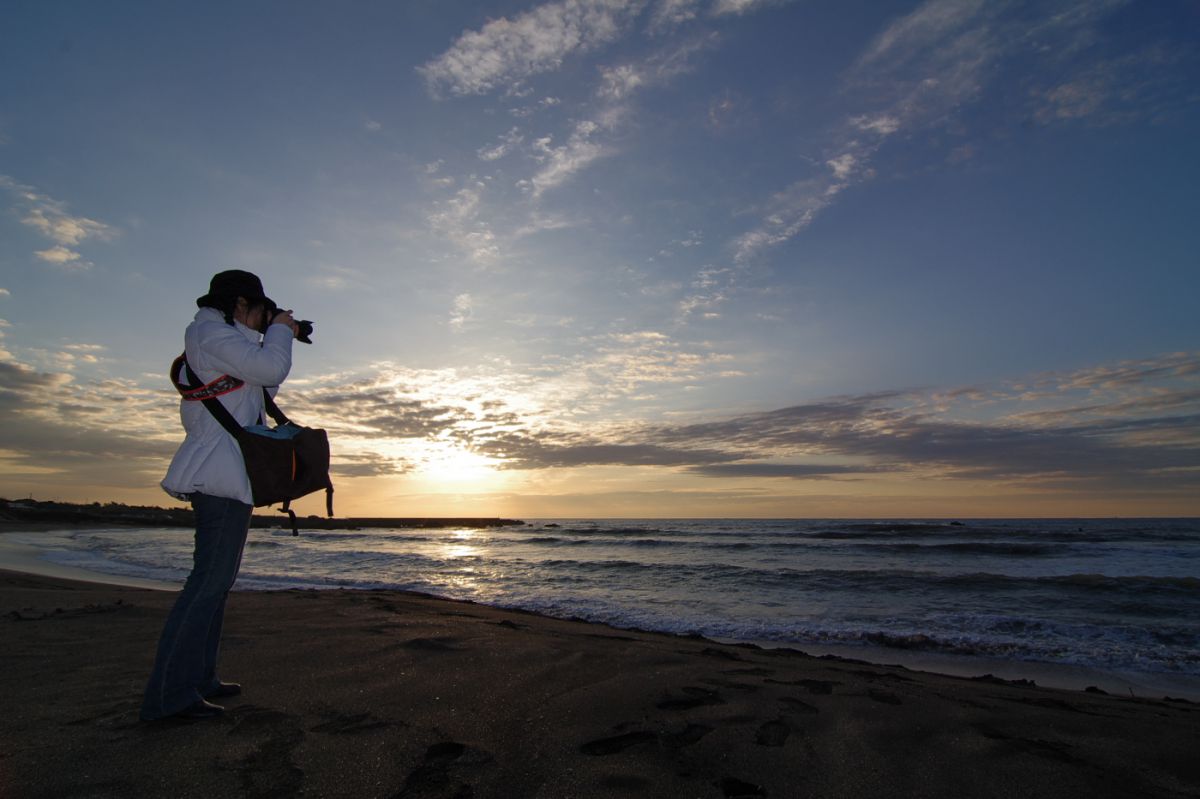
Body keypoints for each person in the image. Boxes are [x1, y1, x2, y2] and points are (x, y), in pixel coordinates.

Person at [141, 270, 301, 721]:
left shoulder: (225, 339)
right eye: (260, 311)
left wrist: (274, 334)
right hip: (218, 479)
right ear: (239, 304)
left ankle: (200, 678)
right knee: (206, 585)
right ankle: (168, 697)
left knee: (217, 585)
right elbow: (271, 367)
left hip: (233, 478)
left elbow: (265, 384)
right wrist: (278, 334)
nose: (263, 319)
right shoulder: (208, 333)